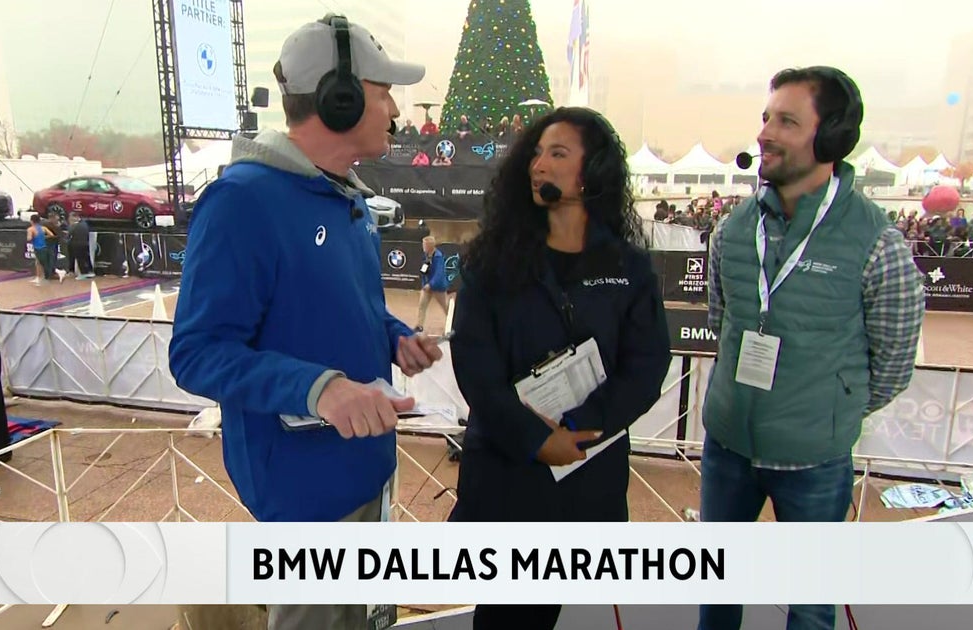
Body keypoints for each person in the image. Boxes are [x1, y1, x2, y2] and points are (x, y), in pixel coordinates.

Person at [167, 14, 439, 630]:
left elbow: (345, 306)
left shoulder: (348, 200)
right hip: (306, 499)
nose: (396, 110)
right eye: (383, 92)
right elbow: (196, 353)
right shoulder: (242, 202)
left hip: (369, 471)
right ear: (339, 100)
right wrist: (321, 390)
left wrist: (394, 337)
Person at [700, 67, 924, 630]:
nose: (765, 133)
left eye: (787, 122)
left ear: (831, 138)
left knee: (810, 608)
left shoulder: (877, 242)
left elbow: (894, 363)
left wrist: (826, 411)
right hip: (727, 447)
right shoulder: (733, 230)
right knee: (716, 597)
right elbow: (723, 324)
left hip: (814, 464)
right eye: (766, 118)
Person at [449, 107, 671, 630]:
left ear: (592, 171)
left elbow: (646, 367)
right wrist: (535, 438)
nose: (539, 165)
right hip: (508, 473)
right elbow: (476, 368)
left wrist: (580, 430)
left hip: (586, 471)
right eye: (536, 154)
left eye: (557, 153)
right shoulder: (489, 264)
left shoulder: (630, 268)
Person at [415, 236, 449, 332]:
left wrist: (430, 284)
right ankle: (419, 326)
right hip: (427, 287)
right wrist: (425, 284)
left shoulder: (438, 257)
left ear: (430, 246)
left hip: (438, 287)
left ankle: (453, 323)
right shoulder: (426, 255)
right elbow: (424, 271)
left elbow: (439, 274)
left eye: (424, 244)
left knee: (445, 307)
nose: (423, 246)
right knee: (422, 306)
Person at [66, 212, 94, 279]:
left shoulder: (76, 225)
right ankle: (89, 272)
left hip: (78, 244)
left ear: (75, 217)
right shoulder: (84, 224)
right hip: (84, 243)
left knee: (81, 259)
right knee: (86, 258)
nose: (69, 220)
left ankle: (84, 273)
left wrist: (71, 225)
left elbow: (70, 233)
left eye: (70, 218)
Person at [26, 215, 51, 286]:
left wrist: (33, 236)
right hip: (44, 247)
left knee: (40, 263)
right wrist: (43, 237)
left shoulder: (30, 229)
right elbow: (51, 235)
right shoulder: (43, 228)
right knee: (38, 262)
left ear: (32, 221)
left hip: (38, 248)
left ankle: (42, 278)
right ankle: (38, 277)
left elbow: (29, 238)